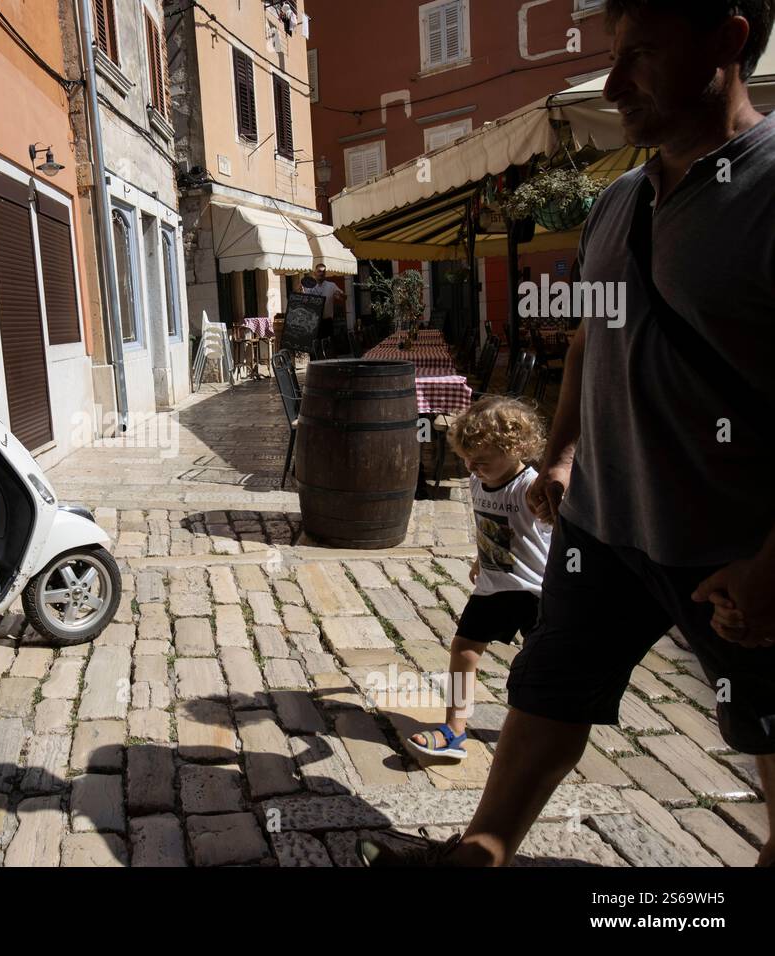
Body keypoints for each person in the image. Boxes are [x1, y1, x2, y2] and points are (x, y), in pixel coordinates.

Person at [359, 0, 775, 867]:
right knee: (549, 690)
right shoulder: (620, 200)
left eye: (642, 56)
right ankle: (481, 850)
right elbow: (591, 332)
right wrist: (560, 455)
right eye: (611, 58)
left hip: (733, 547)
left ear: (728, 40)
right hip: (605, 525)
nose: (616, 83)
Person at [405, 397, 552, 762]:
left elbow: (555, 533)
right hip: (493, 586)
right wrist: (480, 557)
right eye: (467, 459)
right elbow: (496, 528)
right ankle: (454, 729)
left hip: (534, 591)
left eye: (482, 460)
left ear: (515, 448)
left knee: (537, 666)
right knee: (464, 649)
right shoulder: (476, 481)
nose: (472, 466)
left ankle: (542, 728)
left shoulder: (530, 488)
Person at [303, 262, 346, 352]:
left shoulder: (332, 285)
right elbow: (303, 301)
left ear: (325, 273)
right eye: (319, 271)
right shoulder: (308, 286)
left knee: (329, 347)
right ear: (315, 273)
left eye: (323, 272)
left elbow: (343, 298)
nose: (321, 273)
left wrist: (342, 296)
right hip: (313, 322)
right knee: (315, 348)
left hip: (327, 322)